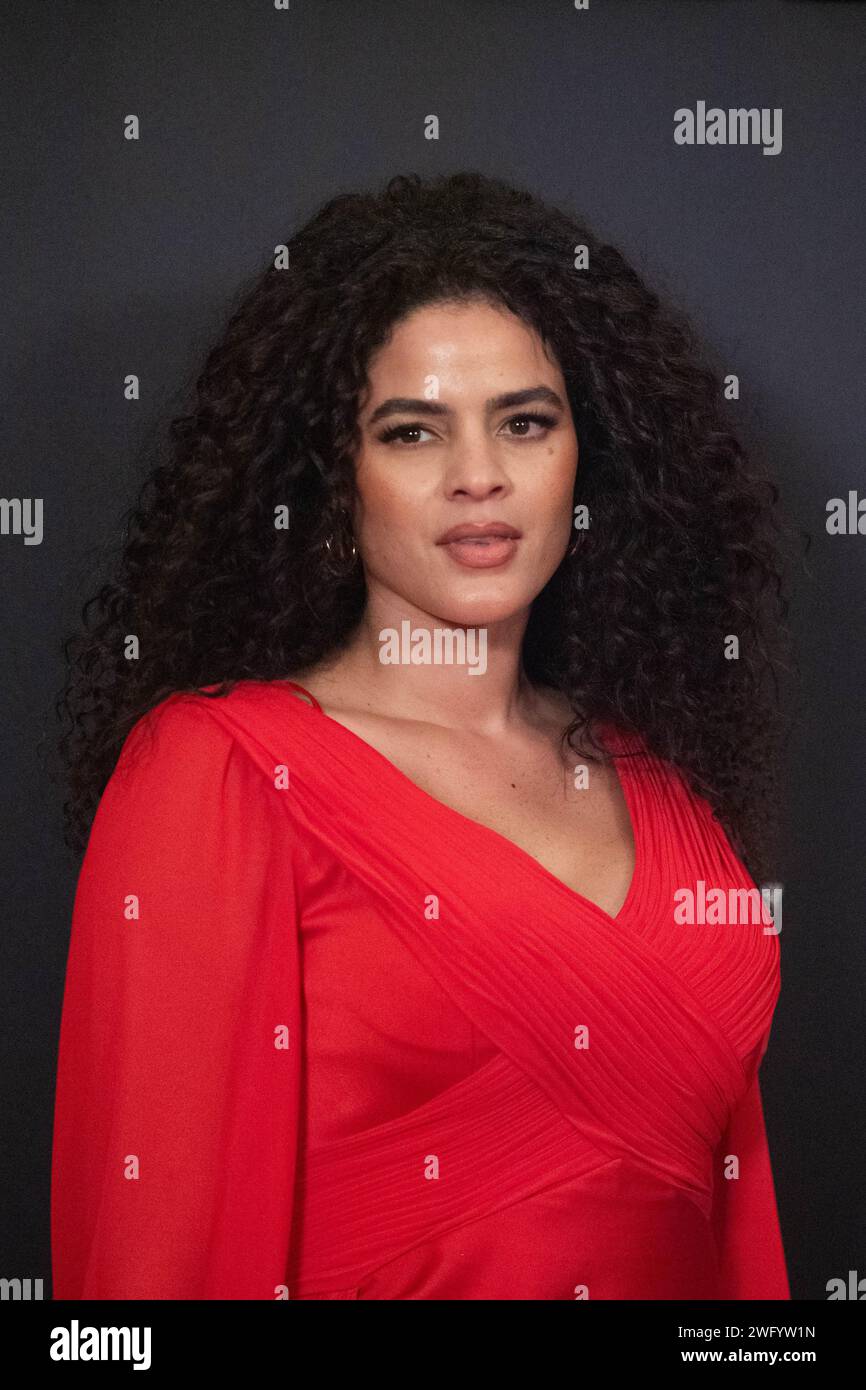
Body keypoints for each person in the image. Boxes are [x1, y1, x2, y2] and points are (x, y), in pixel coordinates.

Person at [52, 170, 792, 1299]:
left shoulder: (660, 781)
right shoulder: (220, 775)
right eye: (411, 431)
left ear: (587, 457)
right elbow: (155, 1273)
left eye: (524, 422)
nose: (478, 477)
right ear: (332, 480)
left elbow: (735, 1243)